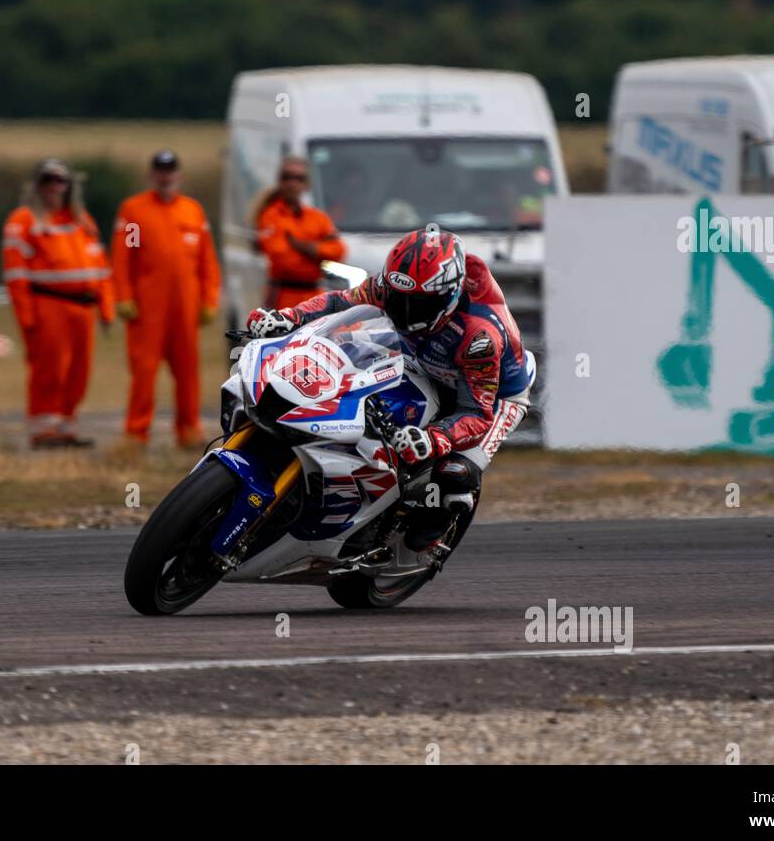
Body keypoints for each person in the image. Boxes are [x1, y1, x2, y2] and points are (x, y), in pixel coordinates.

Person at [247, 228, 535, 553]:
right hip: (423, 357)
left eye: (417, 305)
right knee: (362, 394)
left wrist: (433, 439)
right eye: (398, 299)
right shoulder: (394, 286)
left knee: (455, 471)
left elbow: (475, 414)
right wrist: (289, 317)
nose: (403, 310)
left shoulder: (479, 336)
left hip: (493, 395)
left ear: (448, 297)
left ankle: (439, 520)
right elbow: (340, 301)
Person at [111, 150, 220, 448]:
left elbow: (207, 262)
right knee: (144, 372)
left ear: (178, 175)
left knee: (188, 371)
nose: (165, 176)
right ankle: (136, 433)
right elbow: (123, 257)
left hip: (185, 307)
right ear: (151, 175)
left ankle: (189, 429)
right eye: (160, 170)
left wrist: (209, 300)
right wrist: (123, 296)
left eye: (170, 170)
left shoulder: (192, 211)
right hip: (148, 308)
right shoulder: (134, 211)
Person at [2, 158, 114, 449]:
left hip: (83, 308)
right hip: (48, 305)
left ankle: (66, 427)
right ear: (37, 185)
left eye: (60, 181)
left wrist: (106, 307)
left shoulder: (82, 221)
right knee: (49, 370)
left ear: (69, 186)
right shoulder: (24, 221)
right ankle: (44, 431)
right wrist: (26, 316)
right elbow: (16, 274)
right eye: (48, 180)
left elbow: (101, 268)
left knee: (79, 372)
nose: (54, 187)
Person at [255, 156, 346, 309]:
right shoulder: (270, 216)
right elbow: (282, 258)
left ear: (306, 185)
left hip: (314, 295)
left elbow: (338, 250)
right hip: (283, 296)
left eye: (299, 178)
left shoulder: (317, 217)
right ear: (280, 181)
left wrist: (310, 248)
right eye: (287, 177)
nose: (292, 183)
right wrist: (316, 258)